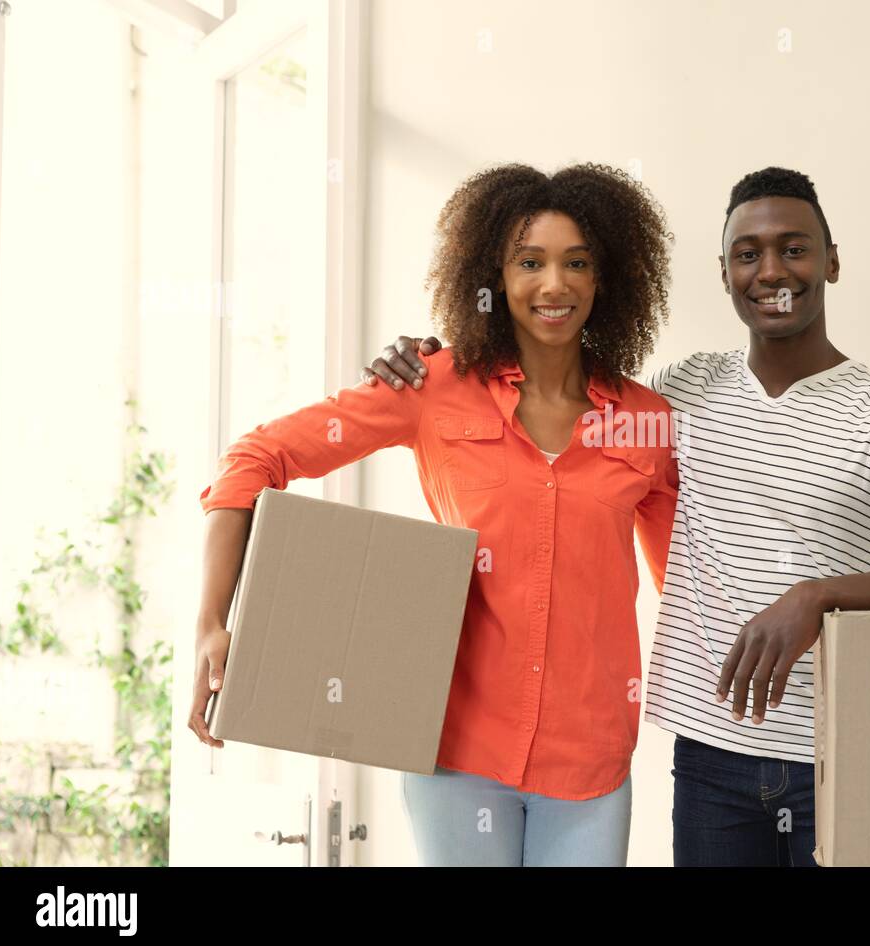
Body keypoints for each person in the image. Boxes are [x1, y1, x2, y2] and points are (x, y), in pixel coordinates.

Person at [361, 166, 870, 867]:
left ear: (831, 261)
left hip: (836, 757)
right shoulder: (676, 397)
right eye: (748, 254)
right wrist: (436, 356)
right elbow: (553, 391)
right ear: (724, 273)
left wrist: (817, 596)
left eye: (795, 248)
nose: (772, 269)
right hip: (709, 757)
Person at [189, 162, 679, 866]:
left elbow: (686, 590)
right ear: (494, 276)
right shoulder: (434, 386)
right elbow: (253, 460)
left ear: (608, 278)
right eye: (529, 262)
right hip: (456, 752)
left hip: (591, 763)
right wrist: (212, 622)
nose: (554, 285)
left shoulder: (647, 423)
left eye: (578, 262)